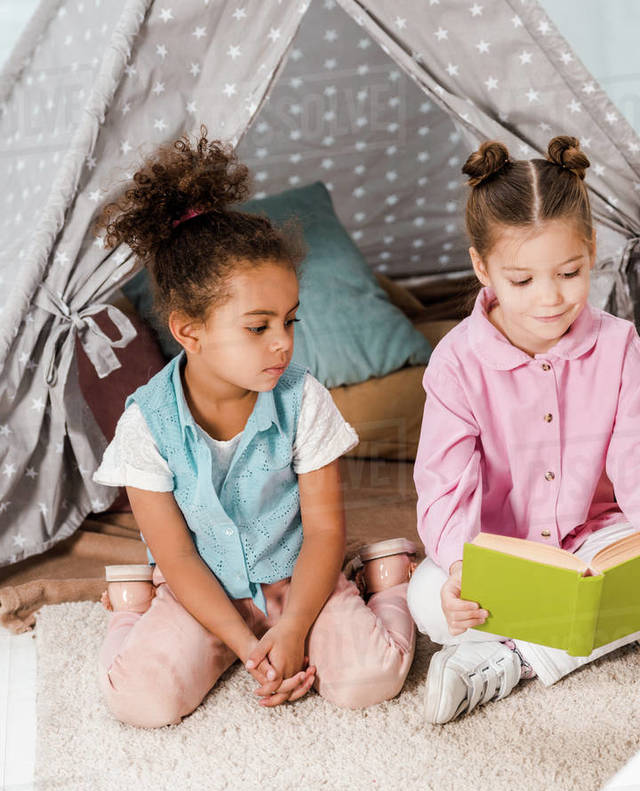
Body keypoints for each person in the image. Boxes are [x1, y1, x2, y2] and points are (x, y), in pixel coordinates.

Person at [92, 131, 416, 728]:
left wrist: (293, 630)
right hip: (202, 594)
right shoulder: (146, 424)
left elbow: (322, 530)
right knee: (140, 701)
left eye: (290, 321)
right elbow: (179, 555)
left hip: (301, 582)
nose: (283, 343)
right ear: (189, 332)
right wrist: (247, 649)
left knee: (369, 679)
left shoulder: (303, 399)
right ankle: (128, 611)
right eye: (258, 327)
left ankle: (387, 585)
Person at [411, 136, 640, 724]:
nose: (550, 298)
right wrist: (460, 570)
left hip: (599, 538)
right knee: (427, 600)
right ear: (483, 269)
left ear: (591, 252)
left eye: (569, 272)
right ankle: (637, 628)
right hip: (502, 555)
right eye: (523, 280)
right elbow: (444, 487)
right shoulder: (456, 363)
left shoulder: (616, 345)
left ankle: (508, 660)